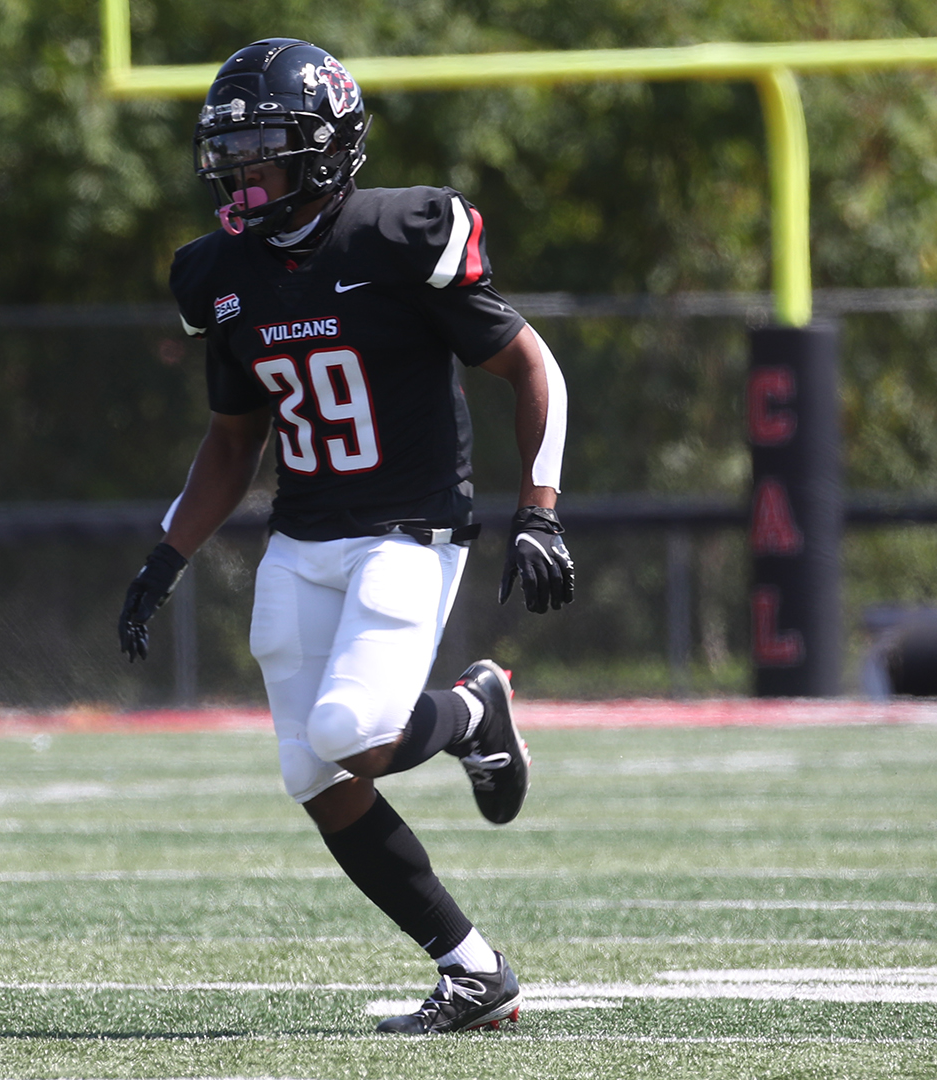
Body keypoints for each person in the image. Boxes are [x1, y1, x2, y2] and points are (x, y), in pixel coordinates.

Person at [118, 39, 575, 1035]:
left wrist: (538, 508)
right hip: (305, 536)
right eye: (230, 160)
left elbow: (532, 367)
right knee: (311, 776)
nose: (242, 180)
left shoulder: (400, 236)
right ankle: (473, 971)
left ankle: (472, 711)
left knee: (349, 736)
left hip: (410, 531)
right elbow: (236, 441)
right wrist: (166, 554)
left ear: (326, 154)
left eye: (266, 156)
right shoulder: (220, 276)